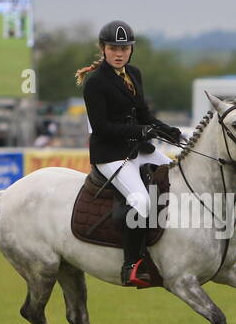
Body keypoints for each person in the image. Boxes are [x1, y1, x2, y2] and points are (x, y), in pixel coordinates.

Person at [75, 19, 185, 286]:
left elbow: (145, 114)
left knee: (178, 176)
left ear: (131, 50)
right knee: (142, 202)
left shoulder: (134, 73)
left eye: (124, 48)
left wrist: (166, 130)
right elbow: (101, 127)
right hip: (110, 156)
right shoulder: (95, 83)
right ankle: (132, 265)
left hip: (139, 149)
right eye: (113, 47)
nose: (119, 53)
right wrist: (140, 130)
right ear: (103, 48)